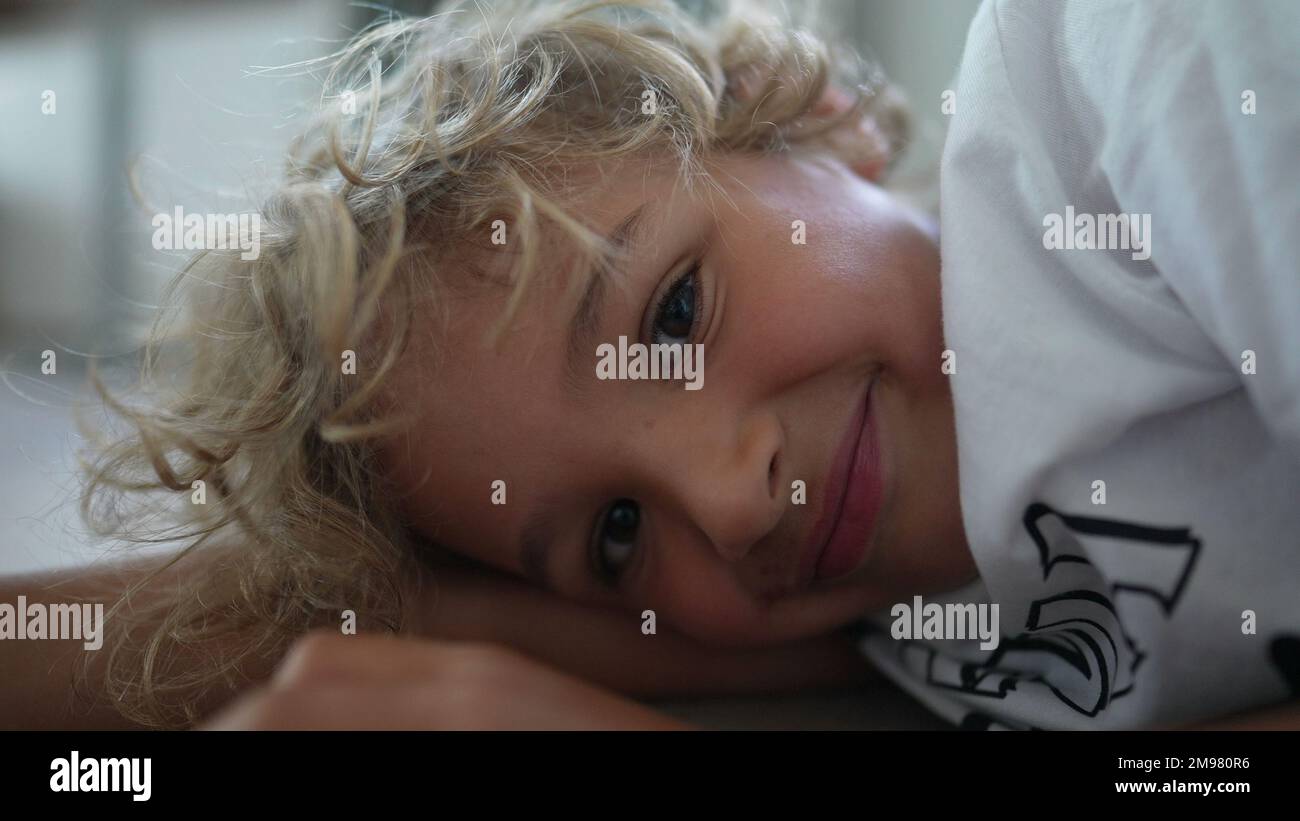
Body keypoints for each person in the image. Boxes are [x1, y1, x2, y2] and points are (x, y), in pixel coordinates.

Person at [1, 0, 1295, 730]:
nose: (730, 503)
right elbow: (298, 631)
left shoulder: (1117, 74)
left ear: (812, 116)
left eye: (674, 313)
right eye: (617, 534)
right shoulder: (881, 611)